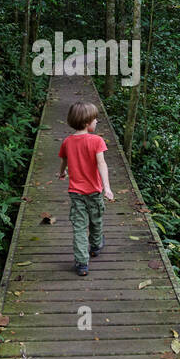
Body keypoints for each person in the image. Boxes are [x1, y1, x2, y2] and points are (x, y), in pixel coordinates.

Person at [57, 100, 114, 276]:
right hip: (94, 192)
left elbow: (64, 161)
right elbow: (101, 164)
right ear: (86, 123)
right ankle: (96, 245)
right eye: (95, 119)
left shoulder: (67, 142)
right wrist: (107, 188)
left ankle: (82, 263)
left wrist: (61, 173)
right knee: (96, 220)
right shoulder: (96, 141)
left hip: (76, 193)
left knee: (80, 227)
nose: (97, 122)